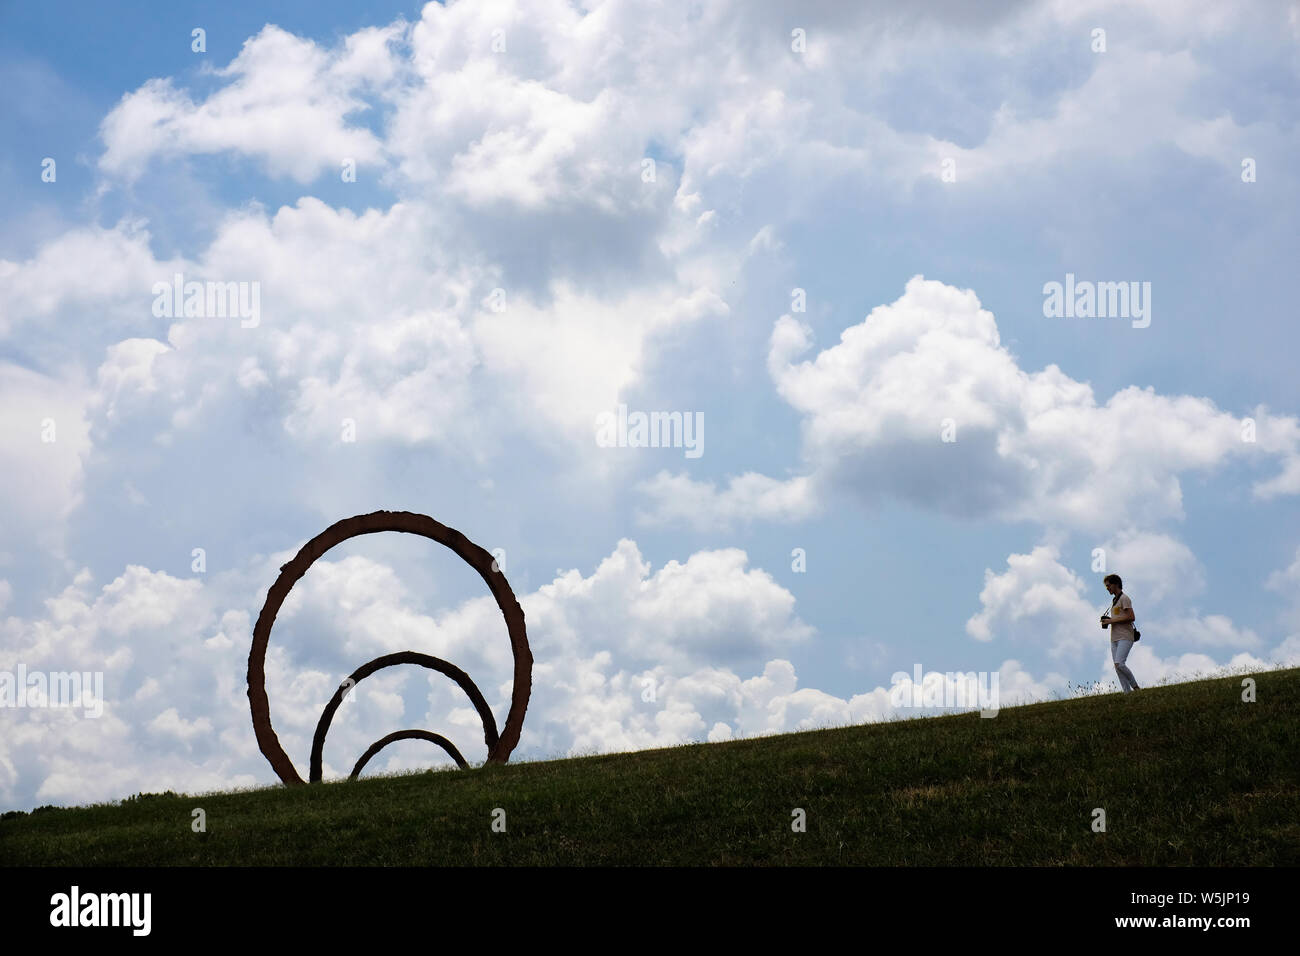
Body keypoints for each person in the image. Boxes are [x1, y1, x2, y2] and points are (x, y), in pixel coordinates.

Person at [1101, 574, 1140, 693]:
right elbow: (1120, 616)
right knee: (1117, 667)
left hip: (1125, 636)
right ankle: (1127, 693)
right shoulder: (1114, 600)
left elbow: (1131, 617)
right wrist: (1107, 620)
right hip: (1114, 637)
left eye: (1108, 585)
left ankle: (1136, 688)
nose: (1107, 588)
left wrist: (1111, 620)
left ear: (1116, 584)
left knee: (1120, 664)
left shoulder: (1124, 598)